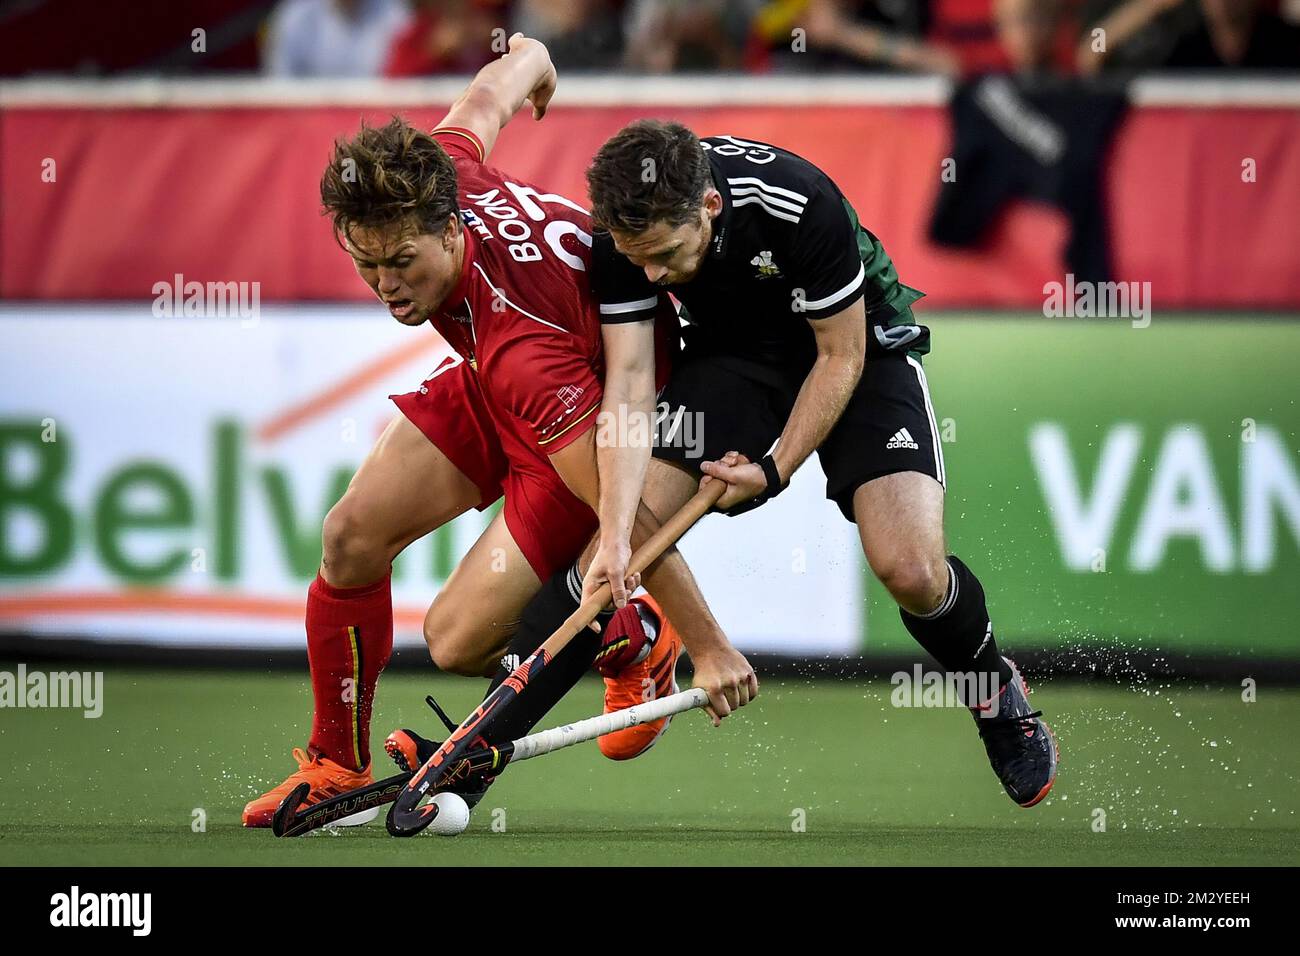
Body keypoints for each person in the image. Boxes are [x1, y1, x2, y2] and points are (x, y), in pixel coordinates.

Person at [243, 38, 752, 827]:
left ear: (451, 231)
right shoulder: (448, 171)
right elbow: (489, 97)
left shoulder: (523, 349)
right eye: (367, 264)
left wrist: (708, 641)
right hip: (499, 381)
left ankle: (635, 635)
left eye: (403, 263)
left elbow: (627, 508)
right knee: (348, 538)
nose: (387, 286)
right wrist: (534, 59)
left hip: (573, 404)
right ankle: (337, 763)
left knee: (454, 642)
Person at [517, 120, 1058, 806]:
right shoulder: (623, 233)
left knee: (911, 571)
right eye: (637, 258)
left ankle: (992, 687)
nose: (650, 275)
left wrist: (774, 468)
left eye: (665, 255)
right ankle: (492, 751)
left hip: (859, 348)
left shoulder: (799, 202)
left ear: (708, 206)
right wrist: (621, 532)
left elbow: (841, 357)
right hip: (732, 356)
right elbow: (626, 388)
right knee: (625, 530)